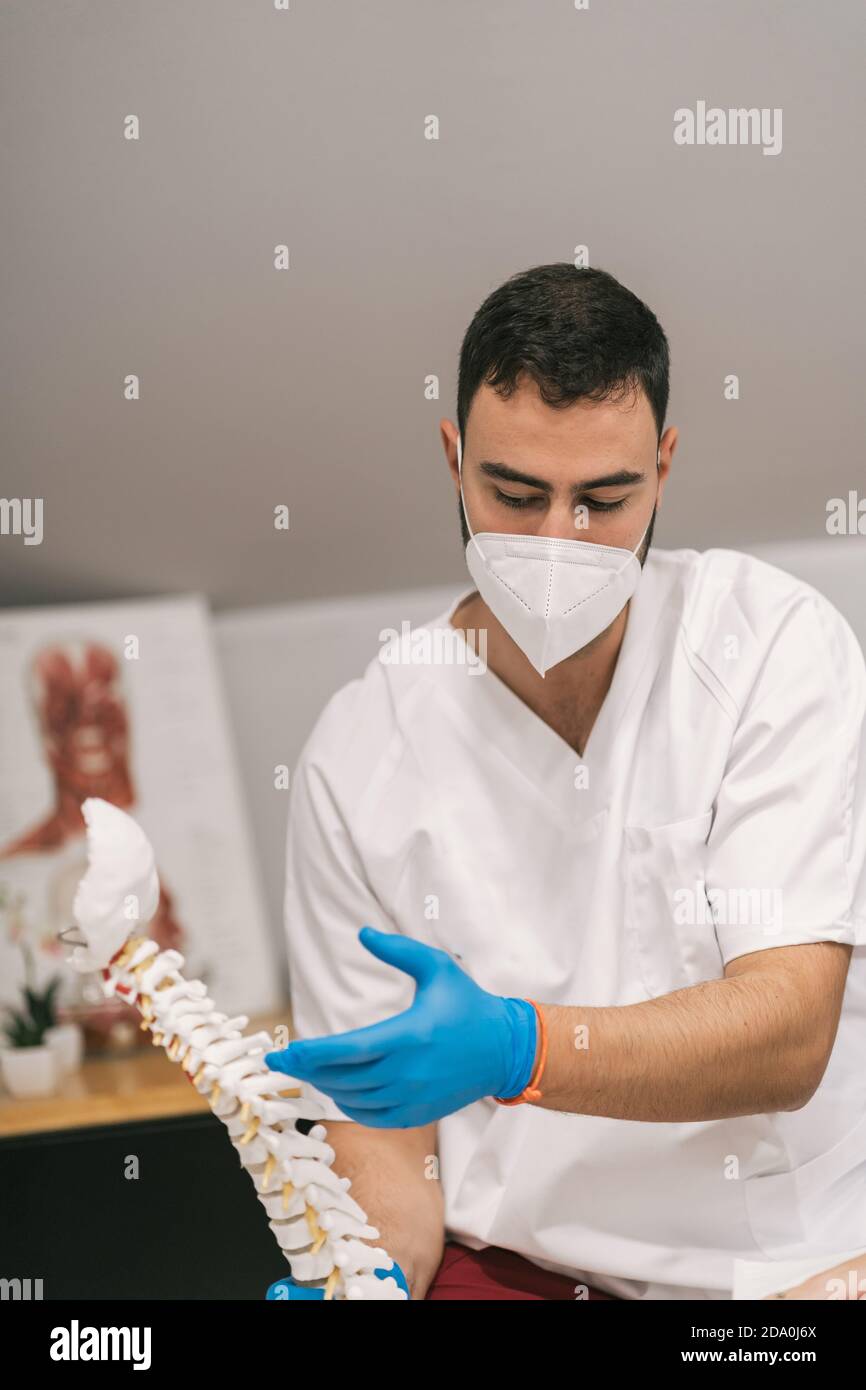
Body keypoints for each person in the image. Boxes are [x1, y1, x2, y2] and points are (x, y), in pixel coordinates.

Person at [265, 264, 866, 1301]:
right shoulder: (356, 753)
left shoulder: (769, 647)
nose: (556, 543)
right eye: (513, 493)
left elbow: (786, 1029)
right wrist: (356, 1275)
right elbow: (390, 1164)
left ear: (663, 469)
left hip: (792, 1264)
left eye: (602, 498)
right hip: (524, 1269)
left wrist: (516, 1046)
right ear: (452, 460)